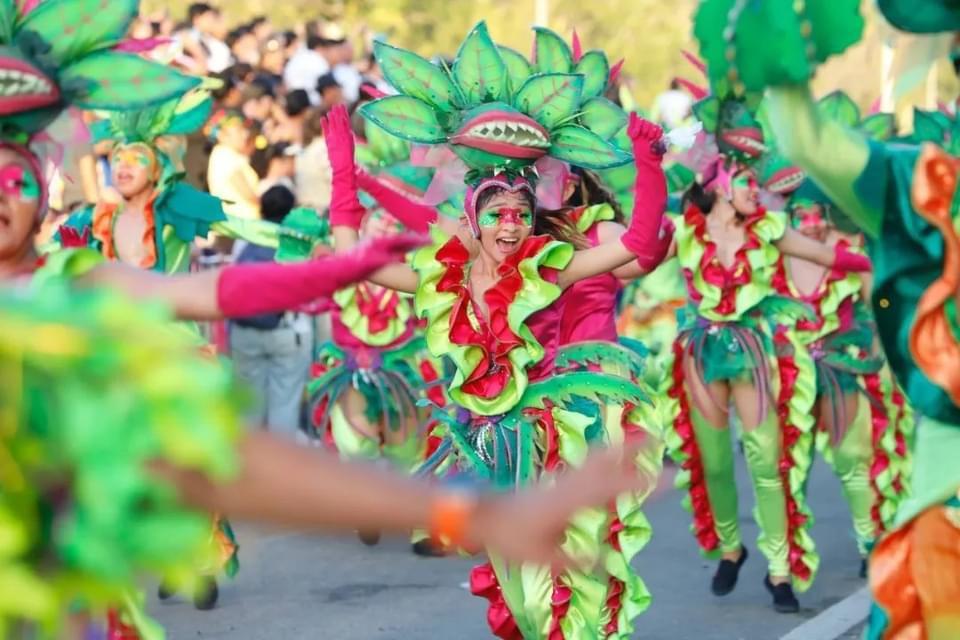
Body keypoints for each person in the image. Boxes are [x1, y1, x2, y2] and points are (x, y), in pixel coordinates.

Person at [327, 21, 674, 638]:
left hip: (556, 436)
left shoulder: (551, 267)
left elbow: (642, 242)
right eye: (497, 215)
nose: (511, 226)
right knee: (516, 598)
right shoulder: (447, 281)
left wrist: (649, 166)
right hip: (488, 443)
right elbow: (356, 261)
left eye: (520, 214)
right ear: (474, 219)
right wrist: (343, 174)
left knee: (561, 589)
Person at [691, 1, 959, 635]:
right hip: (948, 458)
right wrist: (782, 69)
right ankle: (755, 556)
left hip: (831, 363)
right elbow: (811, 142)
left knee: (843, 460)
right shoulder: (926, 187)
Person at [660, 95, 873, 613]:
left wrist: (885, 254)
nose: (758, 190)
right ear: (717, 183)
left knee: (765, 460)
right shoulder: (686, 231)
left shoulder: (772, 232)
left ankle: (779, 571)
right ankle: (730, 549)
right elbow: (635, 258)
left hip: (754, 350)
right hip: (703, 352)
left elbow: (828, 254)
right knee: (712, 464)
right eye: (747, 181)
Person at [230, 185, 314, 441]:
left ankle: (245, 469)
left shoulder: (244, 237)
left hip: (245, 331)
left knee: (248, 406)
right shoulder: (298, 241)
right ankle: (281, 474)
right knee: (285, 406)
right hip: (288, 332)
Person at [207, 111, 261, 221]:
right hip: (241, 227)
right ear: (222, 136)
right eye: (239, 131)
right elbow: (248, 195)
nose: (245, 134)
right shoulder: (226, 157)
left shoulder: (226, 155)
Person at [284, 30, 346, 105]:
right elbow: (328, 89)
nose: (338, 54)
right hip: (306, 105)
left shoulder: (304, 57)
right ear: (320, 48)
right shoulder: (317, 60)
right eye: (333, 49)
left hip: (295, 102)